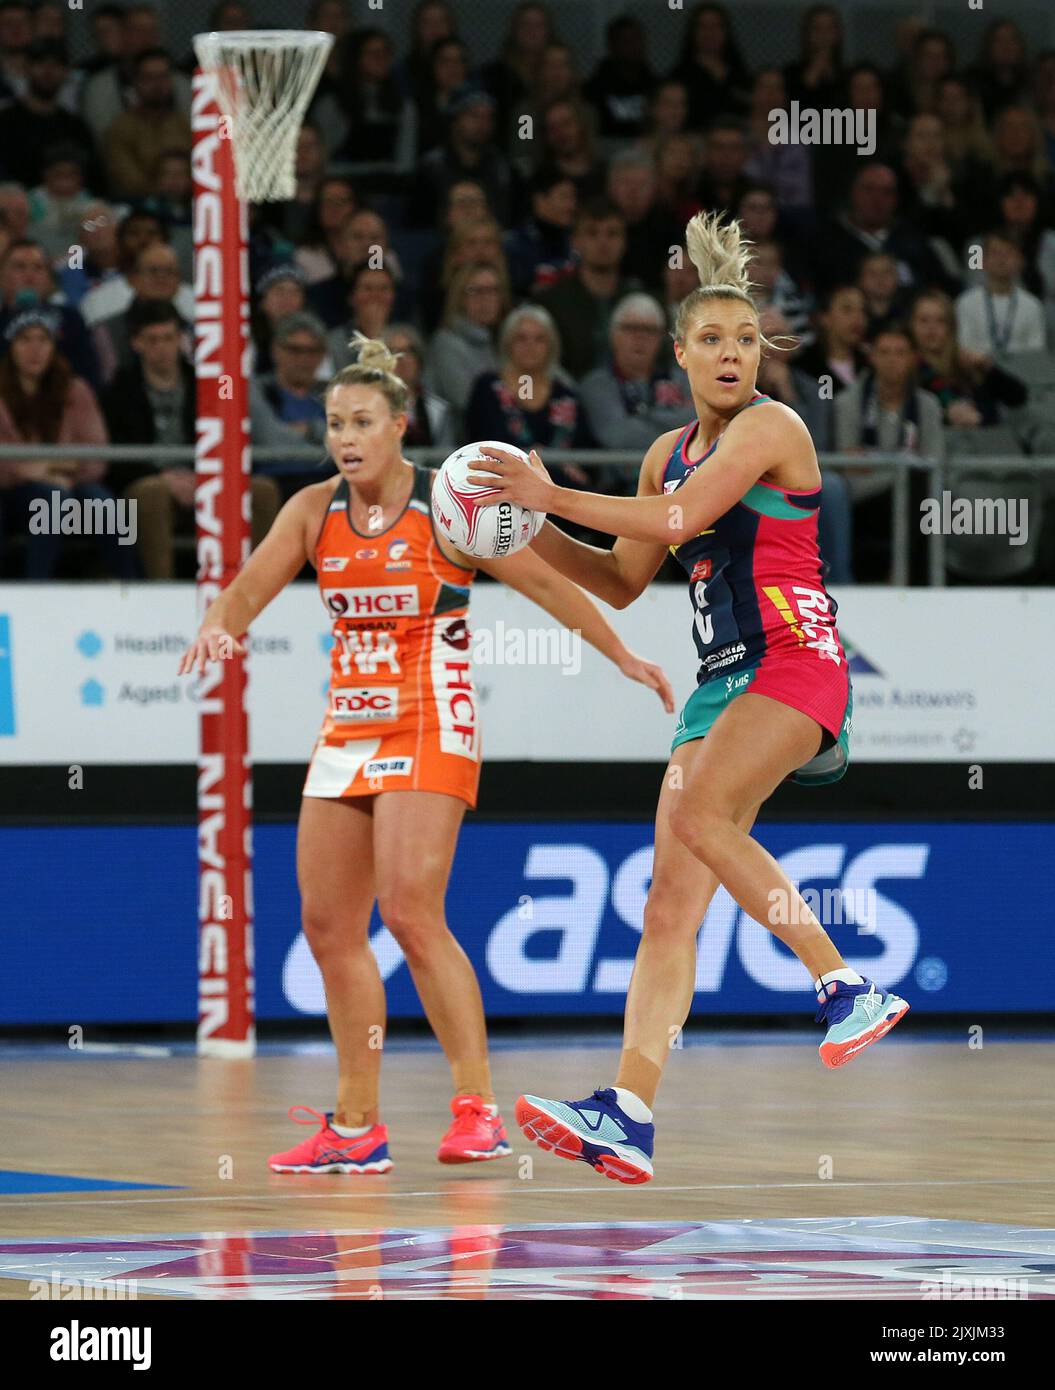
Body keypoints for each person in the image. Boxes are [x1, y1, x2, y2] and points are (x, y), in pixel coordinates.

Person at [467, 211, 907, 1183]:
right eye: (710, 338)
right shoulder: (660, 451)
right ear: (678, 353)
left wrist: (549, 496)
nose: (730, 353)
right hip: (716, 688)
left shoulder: (771, 426)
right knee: (667, 902)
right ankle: (626, 1112)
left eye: (745, 339)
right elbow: (624, 576)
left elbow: (679, 519)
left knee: (705, 814)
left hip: (794, 660)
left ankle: (845, 983)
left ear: (759, 355)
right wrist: (515, 531)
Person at [178, 333, 673, 1174]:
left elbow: (552, 586)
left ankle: (476, 1108)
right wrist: (218, 630)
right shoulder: (311, 511)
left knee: (410, 912)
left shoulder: (446, 509)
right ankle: (355, 1126)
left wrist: (622, 655)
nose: (345, 437)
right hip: (347, 730)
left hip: (429, 721)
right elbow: (248, 589)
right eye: (334, 422)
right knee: (328, 925)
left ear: (400, 426)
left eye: (362, 421)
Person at [102, 301, 281, 576]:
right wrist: (164, 477)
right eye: (152, 340)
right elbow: (116, 457)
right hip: (150, 480)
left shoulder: (206, 382)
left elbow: (229, 440)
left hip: (207, 475)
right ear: (136, 343)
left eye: (169, 338)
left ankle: (258, 587)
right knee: (152, 493)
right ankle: (162, 594)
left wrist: (206, 476)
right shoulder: (119, 389)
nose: (162, 347)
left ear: (181, 339)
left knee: (263, 490)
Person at [0, 307, 133, 578]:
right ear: (11, 346)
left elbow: (96, 456)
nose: (35, 349)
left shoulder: (75, 390)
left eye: (43, 340)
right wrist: (31, 472)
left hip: (69, 486)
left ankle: (136, 589)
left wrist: (46, 469)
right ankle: (38, 590)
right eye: (25, 339)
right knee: (51, 498)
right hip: (12, 495)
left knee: (103, 502)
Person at [463, 304, 594, 482]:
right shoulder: (487, 388)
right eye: (521, 338)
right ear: (508, 343)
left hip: (560, 493)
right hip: (499, 487)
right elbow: (478, 440)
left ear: (551, 345)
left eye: (539, 339)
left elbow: (587, 455)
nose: (530, 346)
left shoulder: (566, 395)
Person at [533, 198, 637, 380]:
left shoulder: (638, 300)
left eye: (612, 234)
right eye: (592, 233)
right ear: (575, 242)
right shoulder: (551, 303)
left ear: (624, 242)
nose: (603, 242)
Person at [580, 292, 693, 452]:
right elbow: (619, 436)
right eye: (630, 328)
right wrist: (673, 424)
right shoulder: (596, 384)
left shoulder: (683, 378)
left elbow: (699, 423)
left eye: (649, 330)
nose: (640, 337)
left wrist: (644, 416)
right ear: (613, 334)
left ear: (661, 339)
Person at [103, 47, 191, 200]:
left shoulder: (185, 124)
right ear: (136, 82)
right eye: (149, 78)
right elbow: (128, 182)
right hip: (141, 210)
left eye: (163, 77)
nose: (157, 85)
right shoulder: (121, 129)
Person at [425, 261, 507, 425]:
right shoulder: (446, 343)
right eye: (475, 291)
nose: (486, 299)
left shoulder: (504, 339)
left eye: (493, 290)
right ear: (459, 297)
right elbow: (469, 403)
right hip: (460, 443)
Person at [955, 231, 1048, 356]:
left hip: (1022, 373)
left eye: (1008, 253)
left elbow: (1036, 352)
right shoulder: (965, 303)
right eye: (995, 253)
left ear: (1020, 261)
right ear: (982, 261)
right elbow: (964, 347)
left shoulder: (1032, 305)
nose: (1001, 259)